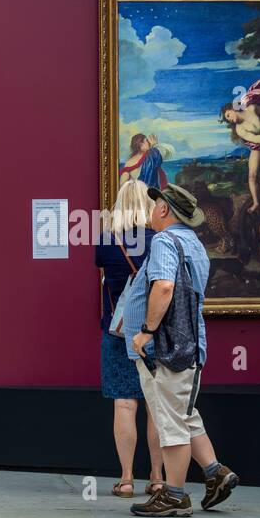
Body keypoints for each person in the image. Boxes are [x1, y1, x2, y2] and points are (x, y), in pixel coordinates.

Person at [121, 184, 239, 517]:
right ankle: (216, 472)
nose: (151, 209)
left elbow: (164, 286)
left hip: (166, 349)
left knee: (170, 420)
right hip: (185, 346)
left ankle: (174, 495)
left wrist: (146, 332)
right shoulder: (193, 244)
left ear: (163, 210)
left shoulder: (163, 241)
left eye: (155, 204)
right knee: (184, 414)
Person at [95, 179, 164, 498]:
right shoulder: (162, 240)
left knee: (124, 403)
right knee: (156, 405)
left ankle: (125, 478)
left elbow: (106, 280)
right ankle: (158, 477)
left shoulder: (108, 241)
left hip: (117, 328)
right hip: (155, 331)